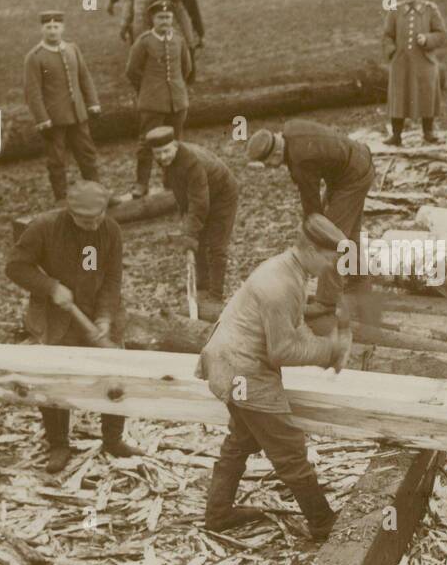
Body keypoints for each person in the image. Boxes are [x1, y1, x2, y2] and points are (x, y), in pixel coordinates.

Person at [196, 215, 352, 540]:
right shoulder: (280, 284)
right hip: (243, 369)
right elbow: (281, 351)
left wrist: (323, 347)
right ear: (309, 248)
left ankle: (218, 513)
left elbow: (294, 328)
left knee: (242, 438)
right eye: (327, 258)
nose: (330, 266)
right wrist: (329, 352)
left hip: (230, 361)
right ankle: (322, 523)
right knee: (289, 450)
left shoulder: (288, 269)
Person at [6, 180, 140, 472]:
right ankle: (58, 443)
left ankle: (113, 438)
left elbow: (113, 279)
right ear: (70, 212)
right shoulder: (44, 227)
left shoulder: (110, 231)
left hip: (97, 311)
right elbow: (15, 266)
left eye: (97, 218)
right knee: (55, 376)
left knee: (114, 370)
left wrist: (104, 316)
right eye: (84, 220)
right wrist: (50, 287)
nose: (92, 226)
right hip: (57, 315)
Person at [246, 120, 374, 321]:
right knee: (348, 232)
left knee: (330, 240)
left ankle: (326, 302)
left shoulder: (300, 162)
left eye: (268, 163)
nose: (270, 168)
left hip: (353, 176)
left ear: (277, 153)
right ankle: (358, 279)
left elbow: (314, 215)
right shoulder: (290, 130)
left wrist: (309, 238)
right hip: (353, 165)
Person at [145, 126, 238, 309]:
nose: (162, 157)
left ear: (175, 146)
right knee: (199, 240)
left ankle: (216, 296)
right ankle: (202, 286)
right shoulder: (169, 161)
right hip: (201, 195)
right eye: (158, 153)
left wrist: (189, 234)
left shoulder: (191, 162)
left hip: (222, 196)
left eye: (166, 152)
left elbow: (199, 203)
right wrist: (187, 223)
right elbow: (182, 191)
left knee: (217, 246)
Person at [23, 10, 103, 201]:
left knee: (88, 154)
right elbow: (33, 93)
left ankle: (98, 195)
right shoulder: (35, 57)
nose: (52, 31)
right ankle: (61, 198)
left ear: (62, 28)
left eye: (56, 27)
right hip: (54, 119)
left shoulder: (72, 49)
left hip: (78, 115)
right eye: (48, 27)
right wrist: (43, 121)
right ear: (42, 29)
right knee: (57, 161)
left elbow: (84, 77)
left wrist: (93, 104)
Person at [126, 0, 194, 198]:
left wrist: (177, 88)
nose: (165, 21)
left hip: (178, 101)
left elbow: (186, 69)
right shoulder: (144, 41)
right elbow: (132, 71)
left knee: (176, 142)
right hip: (152, 102)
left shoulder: (179, 40)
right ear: (152, 19)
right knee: (147, 143)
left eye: (168, 17)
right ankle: (141, 184)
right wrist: (147, 89)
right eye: (160, 17)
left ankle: (172, 181)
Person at [383, 0, 447, 146]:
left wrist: (427, 39)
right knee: (399, 97)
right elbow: (387, 35)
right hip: (401, 63)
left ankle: (428, 132)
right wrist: (392, 52)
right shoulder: (395, 10)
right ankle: (396, 135)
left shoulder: (430, 10)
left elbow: (441, 34)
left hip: (424, 62)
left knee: (427, 94)